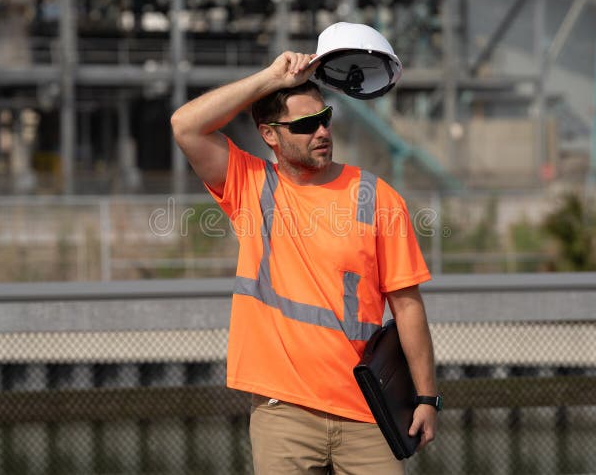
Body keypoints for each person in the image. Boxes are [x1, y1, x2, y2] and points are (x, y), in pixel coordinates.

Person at [171, 50, 439, 474]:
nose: (321, 131)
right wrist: (270, 77)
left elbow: (407, 305)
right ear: (270, 135)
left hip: (367, 413)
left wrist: (426, 397)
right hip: (285, 415)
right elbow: (185, 125)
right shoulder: (251, 186)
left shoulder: (377, 197)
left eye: (325, 118)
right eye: (304, 124)